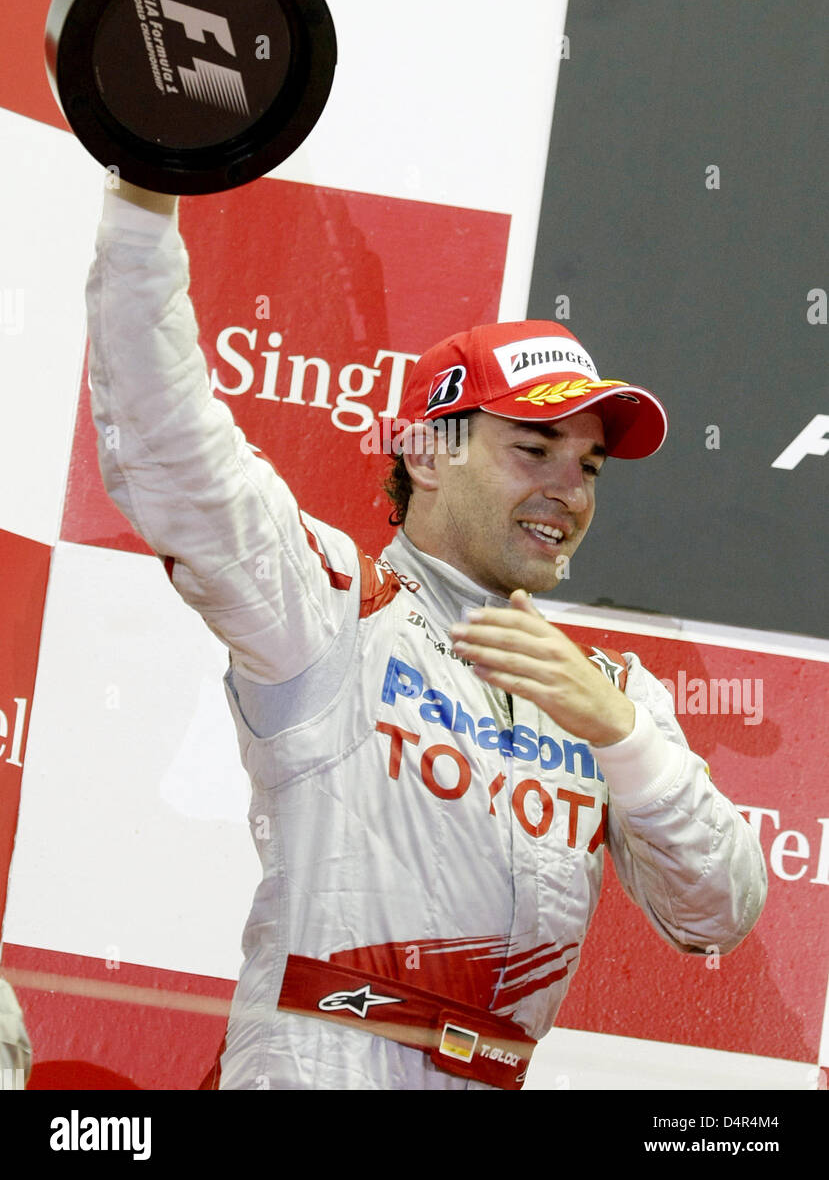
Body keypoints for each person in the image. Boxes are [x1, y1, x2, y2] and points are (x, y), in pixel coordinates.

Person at [85, 178, 767, 1091]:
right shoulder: (331, 611)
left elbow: (717, 913)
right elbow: (171, 452)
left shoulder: (605, 694)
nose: (568, 490)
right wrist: (142, 203)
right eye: (533, 450)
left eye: (588, 466)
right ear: (425, 452)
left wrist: (626, 738)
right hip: (320, 1065)